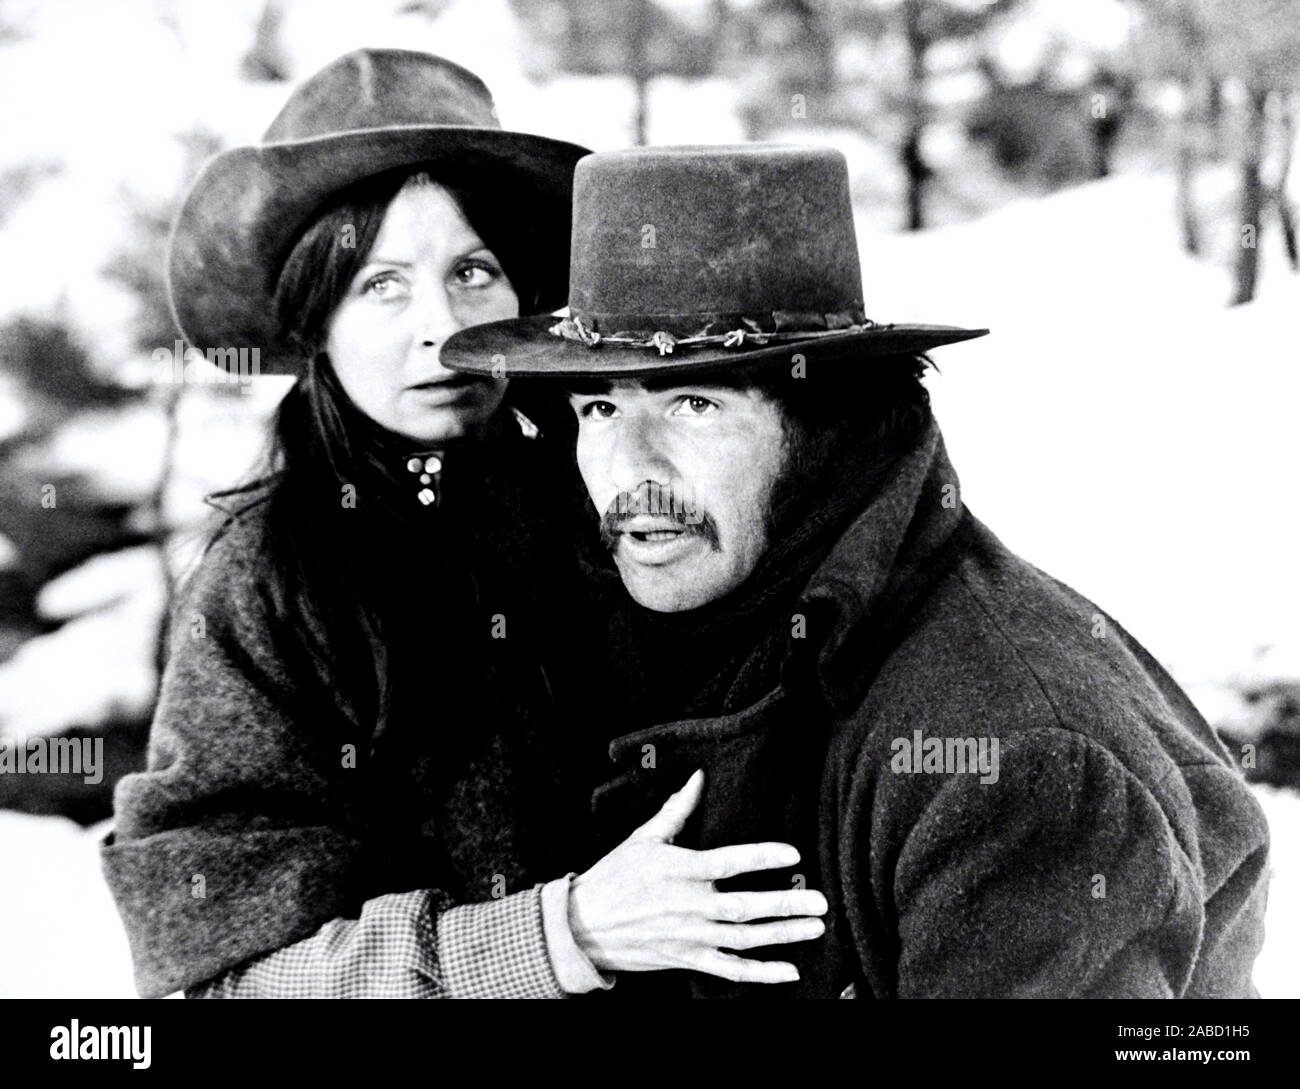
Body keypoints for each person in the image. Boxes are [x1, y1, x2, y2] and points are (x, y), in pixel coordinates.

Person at [442, 144, 1273, 998]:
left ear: (824, 433)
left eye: (696, 405)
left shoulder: (1010, 759)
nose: (628, 469)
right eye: (602, 406)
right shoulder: (663, 630)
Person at [101, 52, 828, 1000]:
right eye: (381, 285)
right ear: (314, 322)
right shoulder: (264, 589)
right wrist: (560, 935)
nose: (440, 328)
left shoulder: (616, 491)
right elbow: (221, 980)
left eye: (474, 272)